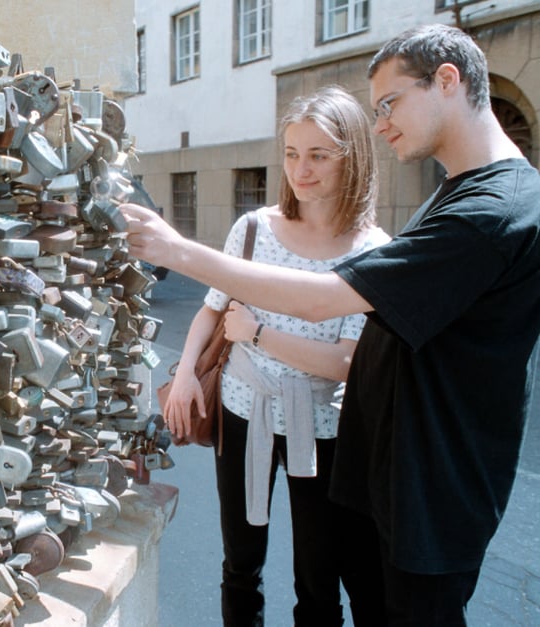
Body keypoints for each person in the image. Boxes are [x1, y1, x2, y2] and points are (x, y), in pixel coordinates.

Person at [123, 24, 540, 625]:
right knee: (288, 575)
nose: (382, 123)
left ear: (447, 81)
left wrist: (178, 252)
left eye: (390, 104)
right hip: (387, 473)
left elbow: (325, 301)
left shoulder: (488, 211)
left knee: (338, 589)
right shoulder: (459, 192)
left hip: (423, 487)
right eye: (293, 154)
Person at [163, 86, 389, 626]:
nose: (300, 170)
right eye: (291, 154)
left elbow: (344, 363)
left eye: (318, 155)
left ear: (351, 156)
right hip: (243, 413)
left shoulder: (375, 250)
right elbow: (212, 313)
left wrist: (259, 333)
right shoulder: (254, 229)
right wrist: (185, 377)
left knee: (319, 578)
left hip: (325, 428)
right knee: (241, 564)